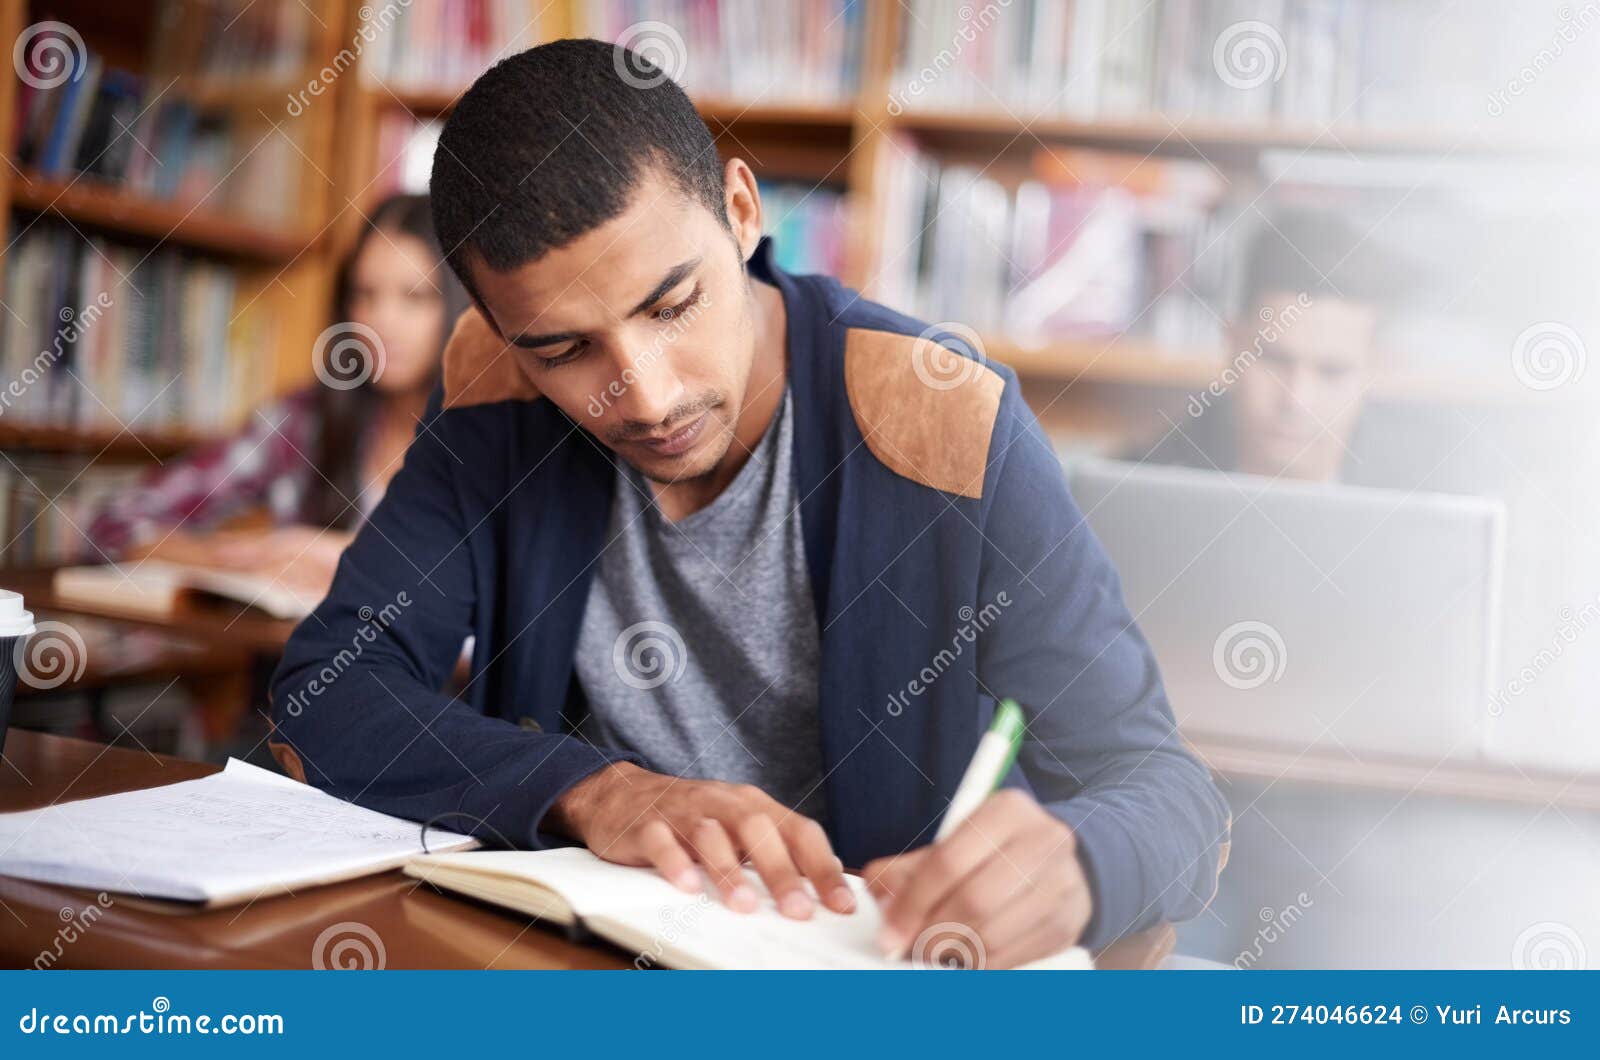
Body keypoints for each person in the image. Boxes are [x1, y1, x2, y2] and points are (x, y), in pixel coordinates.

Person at [269, 39, 1229, 968]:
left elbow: (1165, 789)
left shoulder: (946, 415)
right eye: (564, 351)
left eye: (671, 305)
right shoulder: (492, 394)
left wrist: (1085, 863)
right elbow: (332, 687)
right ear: (495, 324)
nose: (643, 398)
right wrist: (595, 791)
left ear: (739, 209)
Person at [86, 194, 468, 598]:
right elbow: (113, 523)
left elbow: (498, 588)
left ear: (465, 306)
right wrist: (238, 559)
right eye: (366, 294)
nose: (381, 322)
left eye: (416, 297)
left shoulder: (497, 436)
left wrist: (336, 556)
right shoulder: (303, 422)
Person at [1142, 211, 1394, 483]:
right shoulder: (1137, 489)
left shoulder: (1429, 496)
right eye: (1274, 361)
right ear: (1233, 345)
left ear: (1375, 369)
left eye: (1332, 372)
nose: (1297, 400)